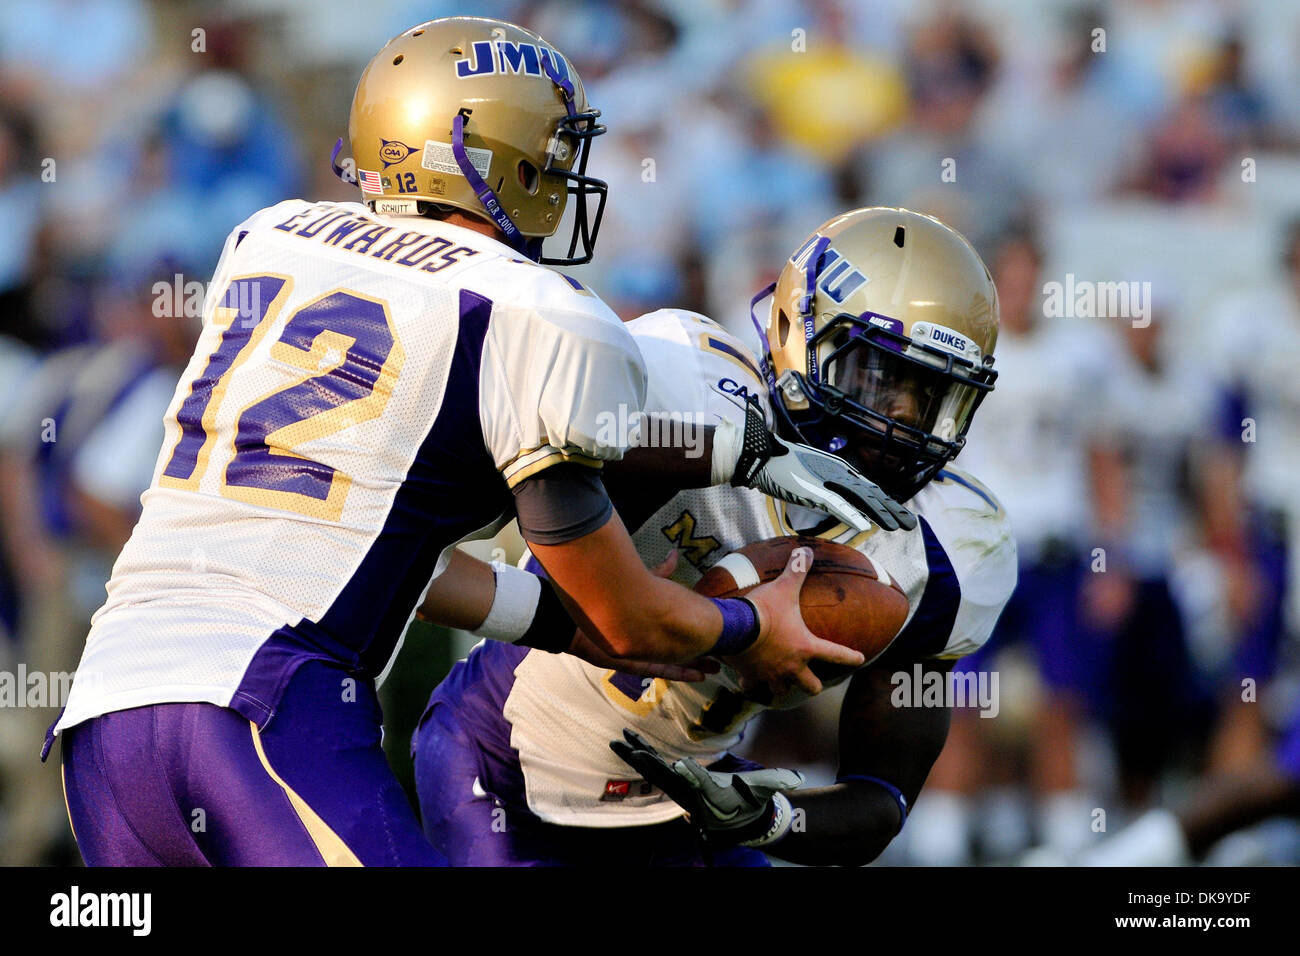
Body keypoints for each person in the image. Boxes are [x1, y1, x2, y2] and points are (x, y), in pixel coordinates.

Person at [48, 18, 900, 867]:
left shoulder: (271, 240)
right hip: (267, 704)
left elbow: (368, 542)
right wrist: (746, 625)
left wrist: (561, 625)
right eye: (551, 153)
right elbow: (628, 615)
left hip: (107, 717)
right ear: (486, 156)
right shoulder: (529, 308)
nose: (565, 180)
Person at [412, 207, 1018, 866]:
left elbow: (881, 799)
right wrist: (736, 453)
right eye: (878, 375)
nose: (900, 418)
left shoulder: (945, 552)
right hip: (509, 759)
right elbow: (540, 441)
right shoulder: (690, 379)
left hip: (683, 800)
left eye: (930, 394)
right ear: (799, 335)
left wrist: (769, 818)